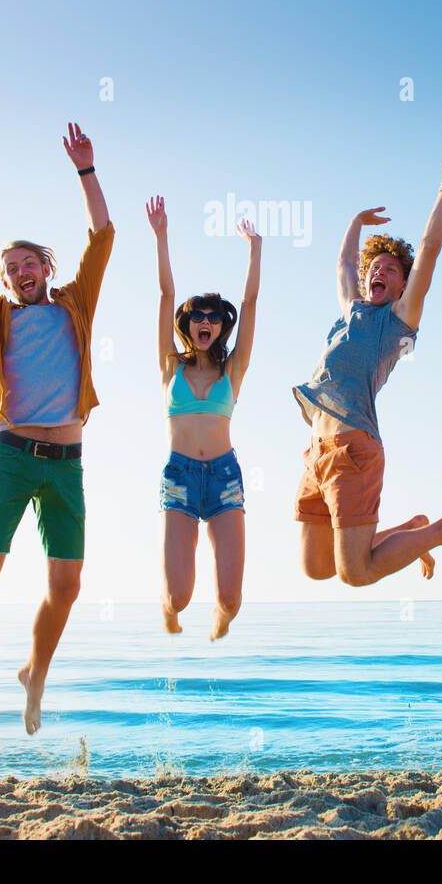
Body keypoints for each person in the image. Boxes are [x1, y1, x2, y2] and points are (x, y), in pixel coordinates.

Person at [0, 125, 114, 734]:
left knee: (67, 586)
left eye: (29, 262)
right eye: (10, 268)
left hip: (67, 463)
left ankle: (34, 672)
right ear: (7, 279)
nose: (20, 272)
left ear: (46, 266)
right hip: (11, 457)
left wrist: (86, 171)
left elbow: (103, 236)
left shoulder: (76, 304)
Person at [295, 165, 442, 587]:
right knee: (317, 566)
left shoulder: (397, 320)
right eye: (374, 267)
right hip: (316, 453)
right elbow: (342, 262)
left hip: (355, 448)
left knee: (355, 573)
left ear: (401, 287)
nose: (380, 272)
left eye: (391, 270)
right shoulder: (350, 313)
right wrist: (356, 222)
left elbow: (429, 249)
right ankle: (415, 527)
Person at [147, 197, 260, 640]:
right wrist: (161, 237)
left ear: (220, 327)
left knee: (230, 601)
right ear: (188, 325)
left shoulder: (233, 370)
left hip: (224, 477)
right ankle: (168, 611)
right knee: (178, 596)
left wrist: (255, 249)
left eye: (214, 317)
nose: (206, 321)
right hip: (178, 477)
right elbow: (165, 295)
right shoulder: (169, 367)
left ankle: (222, 618)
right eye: (199, 316)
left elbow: (249, 304)